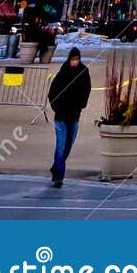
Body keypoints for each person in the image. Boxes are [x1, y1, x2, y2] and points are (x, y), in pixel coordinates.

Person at [47, 48, 92, 187]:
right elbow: (52, 93)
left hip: (74, 115)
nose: (75, 62)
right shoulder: (63, 73)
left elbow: (87, 89)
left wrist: (81, 105)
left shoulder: (83, 72)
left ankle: (57, 166)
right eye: (73, 59)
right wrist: (57, 108)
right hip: (61, 116)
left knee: (68, 145)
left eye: (77, 59)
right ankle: (58, 176)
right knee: (60, 146)